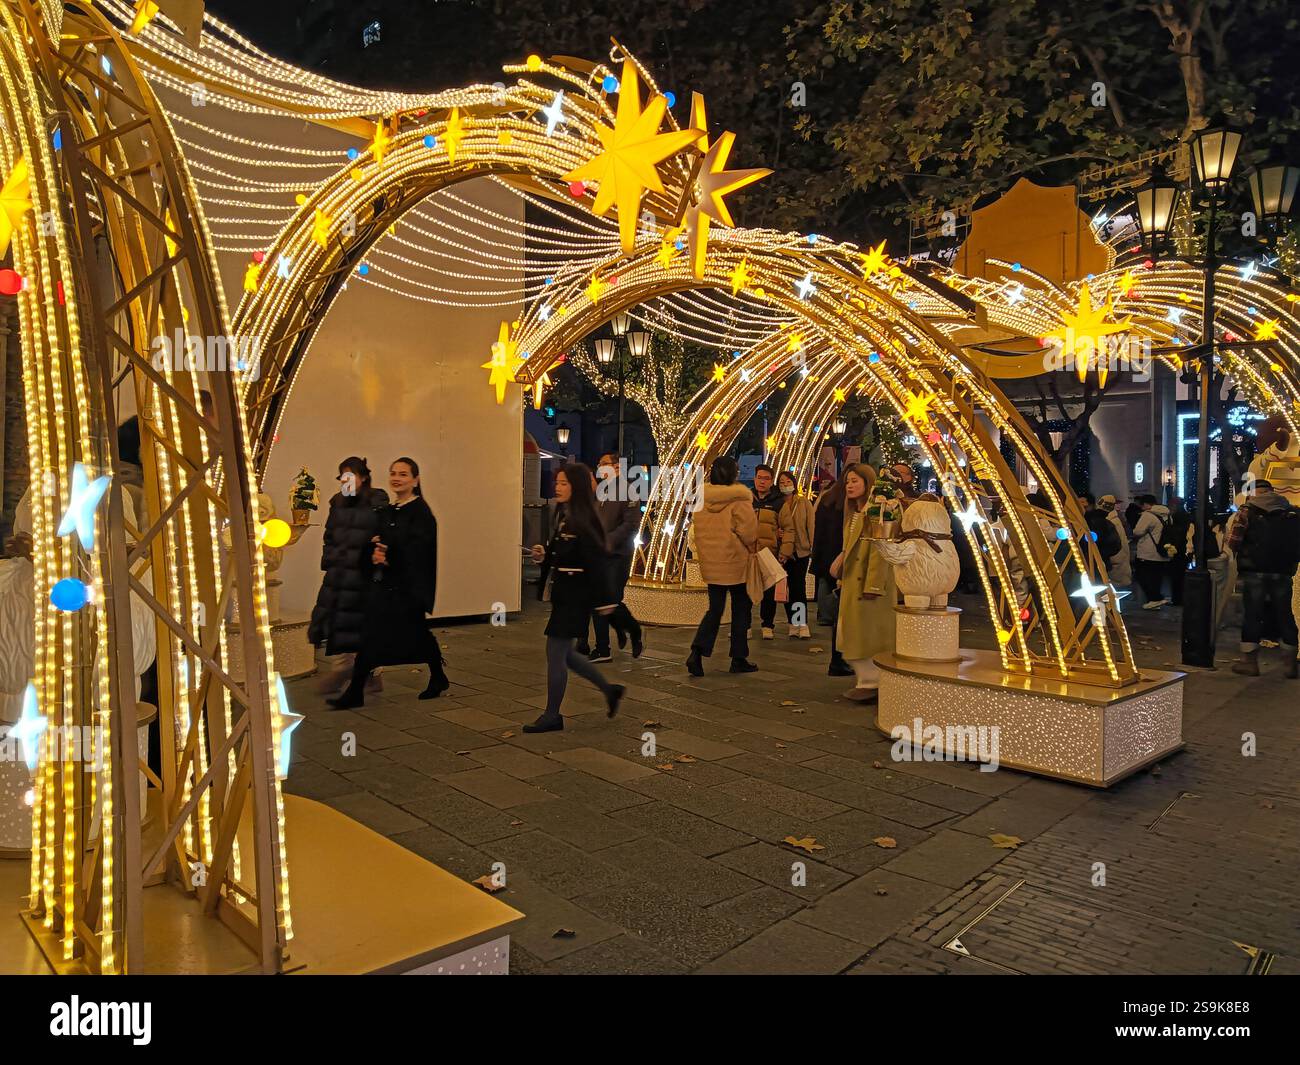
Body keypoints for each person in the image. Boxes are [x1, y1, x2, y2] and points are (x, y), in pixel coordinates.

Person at [328, 458, 448, 709]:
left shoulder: (421, 513)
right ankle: (358, 690)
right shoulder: (391, 510)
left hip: (409, 588)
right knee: (376, 633)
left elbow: (419, 550)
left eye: (403, 474)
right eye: (393, 473)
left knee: (415, 635)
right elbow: (377, 540)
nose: (396, 478)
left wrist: (388, 554)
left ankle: (437, 676)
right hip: (387, 586)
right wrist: (374, 552)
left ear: (415, 480)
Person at [524, 463, 624, 732]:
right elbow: (563, 553)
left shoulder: (583, 520)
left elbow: (596, 561)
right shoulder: (566, 515)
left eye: (564, 483)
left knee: (556, 654)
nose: (557, 487)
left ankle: (552, 715)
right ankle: (609, 689)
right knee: (565, 654)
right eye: (557, 482)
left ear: (577, 487)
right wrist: (544, 554)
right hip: (565, 595)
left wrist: (606, 602)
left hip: (575, 597)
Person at [309, 457, 389, 693]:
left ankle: (369, 673)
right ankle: (345, 670)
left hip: (364, 573)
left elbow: (385, 531)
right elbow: (330, 535)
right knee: (339, 623)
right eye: (342, 477)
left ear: (363, 477)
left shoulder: (377, 499)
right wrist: (330, 562)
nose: (346, 481)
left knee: (361, 624)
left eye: (351, 475)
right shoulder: (337, 502)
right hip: (340, 573)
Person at [686, 456, 760, 676]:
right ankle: (738, 658)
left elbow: (697, 532)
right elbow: (749, 533)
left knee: (715, 609)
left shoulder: (701, 499)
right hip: (736, 562)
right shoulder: (739, 499)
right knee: (740, 609)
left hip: (712, 563)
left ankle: (697, 652)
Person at [833, 463, 897, 702]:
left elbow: (879, 551)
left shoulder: (877, 511)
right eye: (847, 481)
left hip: (867, 583)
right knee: (849, 632)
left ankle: (871, 682)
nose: (849, 486)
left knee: (865, 634)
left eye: (855, 481)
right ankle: (865, 680)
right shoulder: (854, 512)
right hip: (852, 580)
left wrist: (873, 584)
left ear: (867, 484)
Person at [1227, 479, 1299, 677]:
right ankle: (1290, 664)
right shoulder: (1291, 512)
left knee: (1253, 615)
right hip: (1283, 572)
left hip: (1254, 571)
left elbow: (1233, 541)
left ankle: (1249, 663)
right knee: (1285, 615)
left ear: (1254, 492)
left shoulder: (1247, 511)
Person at [590, 453, 644, 662]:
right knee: (599, 600)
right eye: (600, 464)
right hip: (599, 554)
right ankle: (603, 647)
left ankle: (633, 632)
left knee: (611, 599)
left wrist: (609, 540)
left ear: (617, 467)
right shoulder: (600, 492)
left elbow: (631, 524)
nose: (600, 467)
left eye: (604, 464)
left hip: (617, 555)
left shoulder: (627, 491)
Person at [810, 469, 853, 676]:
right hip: (842, 561)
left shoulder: (827, 499)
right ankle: (839, 658)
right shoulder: (849, 504)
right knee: (843, 611)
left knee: (834, 602)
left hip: (827, 558)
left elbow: (816, 530)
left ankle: (823, 615)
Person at [775, 470, 813, 638]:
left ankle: (801, 622)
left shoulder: (803, 502)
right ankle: (792, 622)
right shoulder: (776, 503)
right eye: (781, 483)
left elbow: (811, 525)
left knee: (798, 588)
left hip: (801, 551)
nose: (785, 485)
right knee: (785, 589)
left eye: (788, 481)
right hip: (782, 552)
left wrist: (813, 546)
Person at [750, 464, 783, 639]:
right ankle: (745, 625)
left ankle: (767, 624)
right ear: (754, 479)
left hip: (769, 551)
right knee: (746, 590)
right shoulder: (747, 498)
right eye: (759, 478)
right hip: (749, 552)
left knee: (769, 591)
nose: (762, 482)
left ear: (771, 481)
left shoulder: (778, 501)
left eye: (766, 478)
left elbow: (786, 525)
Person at [1132, 495, 1172, 608]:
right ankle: (1155, 600)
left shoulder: (1148, 515)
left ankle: (1155, 598)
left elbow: (1137, 531)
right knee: (1156, 578)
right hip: (1162, 550)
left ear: (1145, 504)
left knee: (1140, 575)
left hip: (1147, 552)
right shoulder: (1167, 515)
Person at [1097, 494, 1132, 589]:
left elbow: (1115, 544)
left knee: (1113, 590)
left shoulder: (1109, 521)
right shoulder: (1115, 519)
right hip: (1118, 560)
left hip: (1114, 561)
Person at [1166, 496, 1193, 606]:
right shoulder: (1187, 516)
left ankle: (1177, 599)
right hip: (1185, 550)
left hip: (1178, 551)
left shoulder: (1176, 517)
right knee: (1181, 576)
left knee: (1176, 577)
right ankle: (1180, 598)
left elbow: (1176, 535)